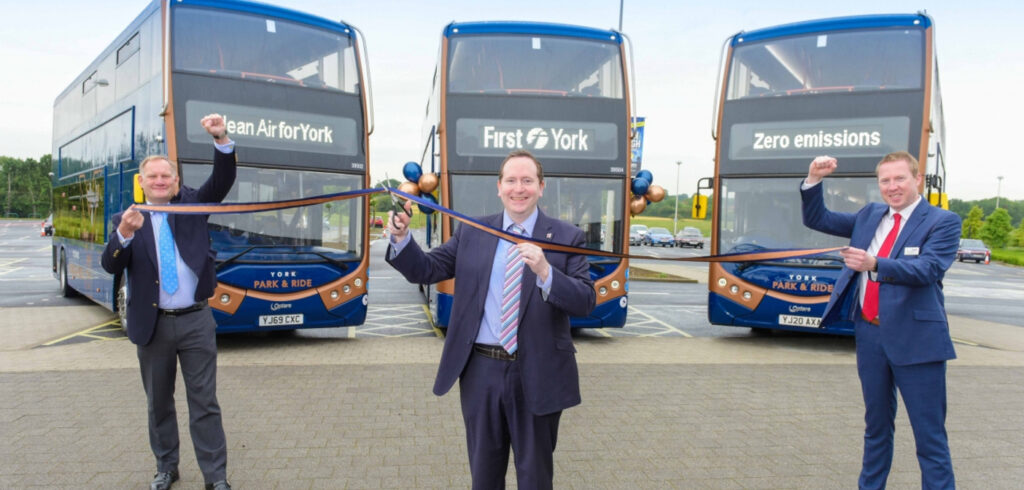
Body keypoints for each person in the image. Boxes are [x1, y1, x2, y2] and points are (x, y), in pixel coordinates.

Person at [386, 150, 596, 489]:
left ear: (541, 187)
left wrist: (545, 270)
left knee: (535, 477)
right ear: (499, 188)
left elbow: (586, 301)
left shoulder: (567, 237)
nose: (519, 188)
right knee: (483, 476)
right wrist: (400, 238)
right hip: (481, 371)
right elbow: (426, 269)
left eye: (527, 181)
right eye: (511, 181)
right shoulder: (473, 231)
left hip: (538, 371)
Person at [800, 152, 960, 489]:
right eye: (885, 181)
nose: (892, 187)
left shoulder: (942, 221)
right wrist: (814, 180)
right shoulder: (871, 214)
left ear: (917, 180)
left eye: (900, 178)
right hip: (870, 335)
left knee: (929, 436)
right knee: (876, 427)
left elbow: (928, 269)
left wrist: (875, 263)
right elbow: (819, 219)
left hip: (917, 342)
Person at [101, 114, 237, 490]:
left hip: (195, 321)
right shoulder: (126, 218)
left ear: (177, 182)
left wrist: (221, 139)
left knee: (204, 403)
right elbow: (110, 263)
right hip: (153, 324)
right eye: (153, 177)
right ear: (142, 183)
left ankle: (216, 476)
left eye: (167, 176)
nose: (160, 182)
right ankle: (166, 467)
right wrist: (124, 235)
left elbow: (223, 180)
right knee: (158, 404)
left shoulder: (192, 205)